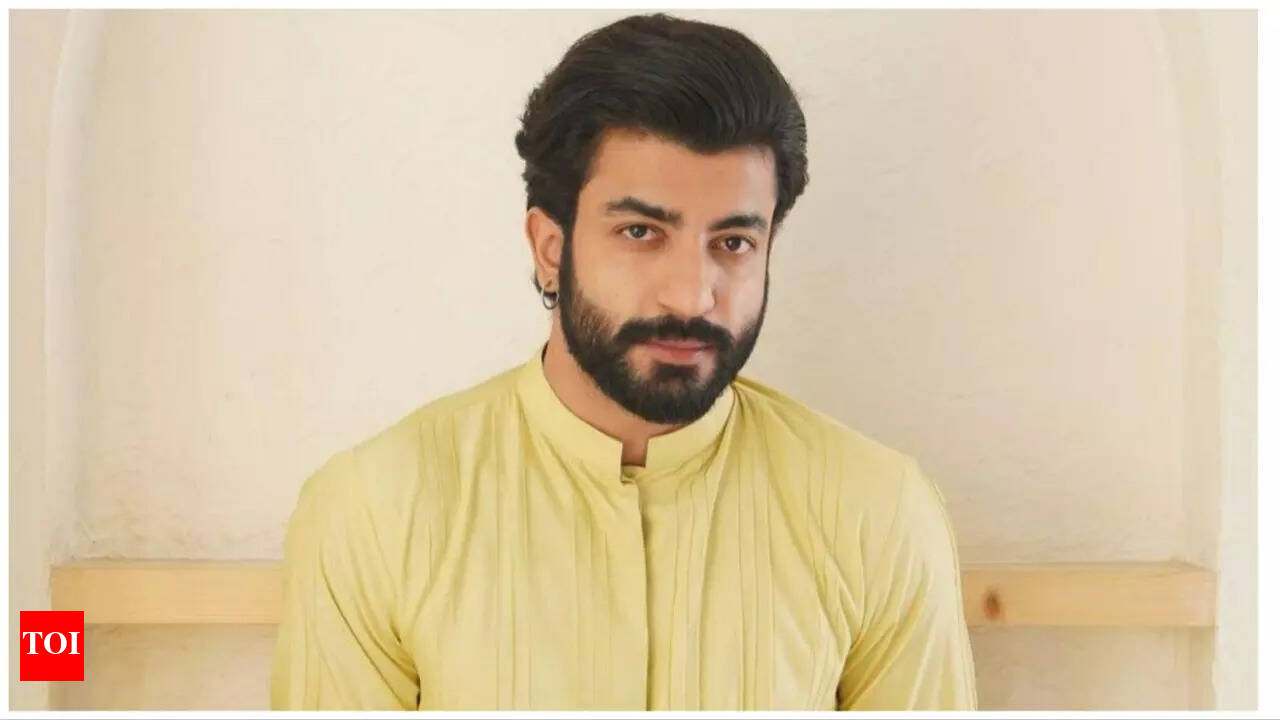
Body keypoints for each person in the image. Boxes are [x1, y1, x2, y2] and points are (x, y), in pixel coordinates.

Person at [270, 12, 976, 711]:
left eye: (733, 243)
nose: (691, 295)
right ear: (551, 247)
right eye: (641, 232)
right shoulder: (374, 512)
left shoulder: (878, 514)